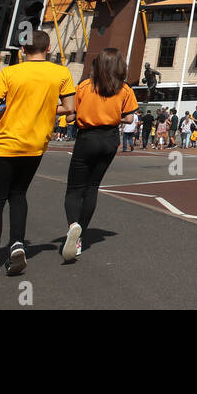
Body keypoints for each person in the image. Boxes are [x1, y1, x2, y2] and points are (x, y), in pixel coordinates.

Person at [0, 30, 76, 280]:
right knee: (19, 195)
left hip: (6, 143)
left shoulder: (9, 72)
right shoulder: (61, 73)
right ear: (48, 49)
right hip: (35, 145)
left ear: (22, 50)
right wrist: (49, 108)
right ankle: (17, 243)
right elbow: (69, 108)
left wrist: (3, 114)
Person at [61, 48, 138, 263]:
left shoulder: (85, 86)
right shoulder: (124, 90)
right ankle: (80, 236)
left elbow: (69, 117)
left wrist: (79, 115)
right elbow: (130, 118)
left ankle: (73, 225)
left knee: (74, 188)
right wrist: (114, 117)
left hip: (88, 137)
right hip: (110, 138)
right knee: (92, 186)